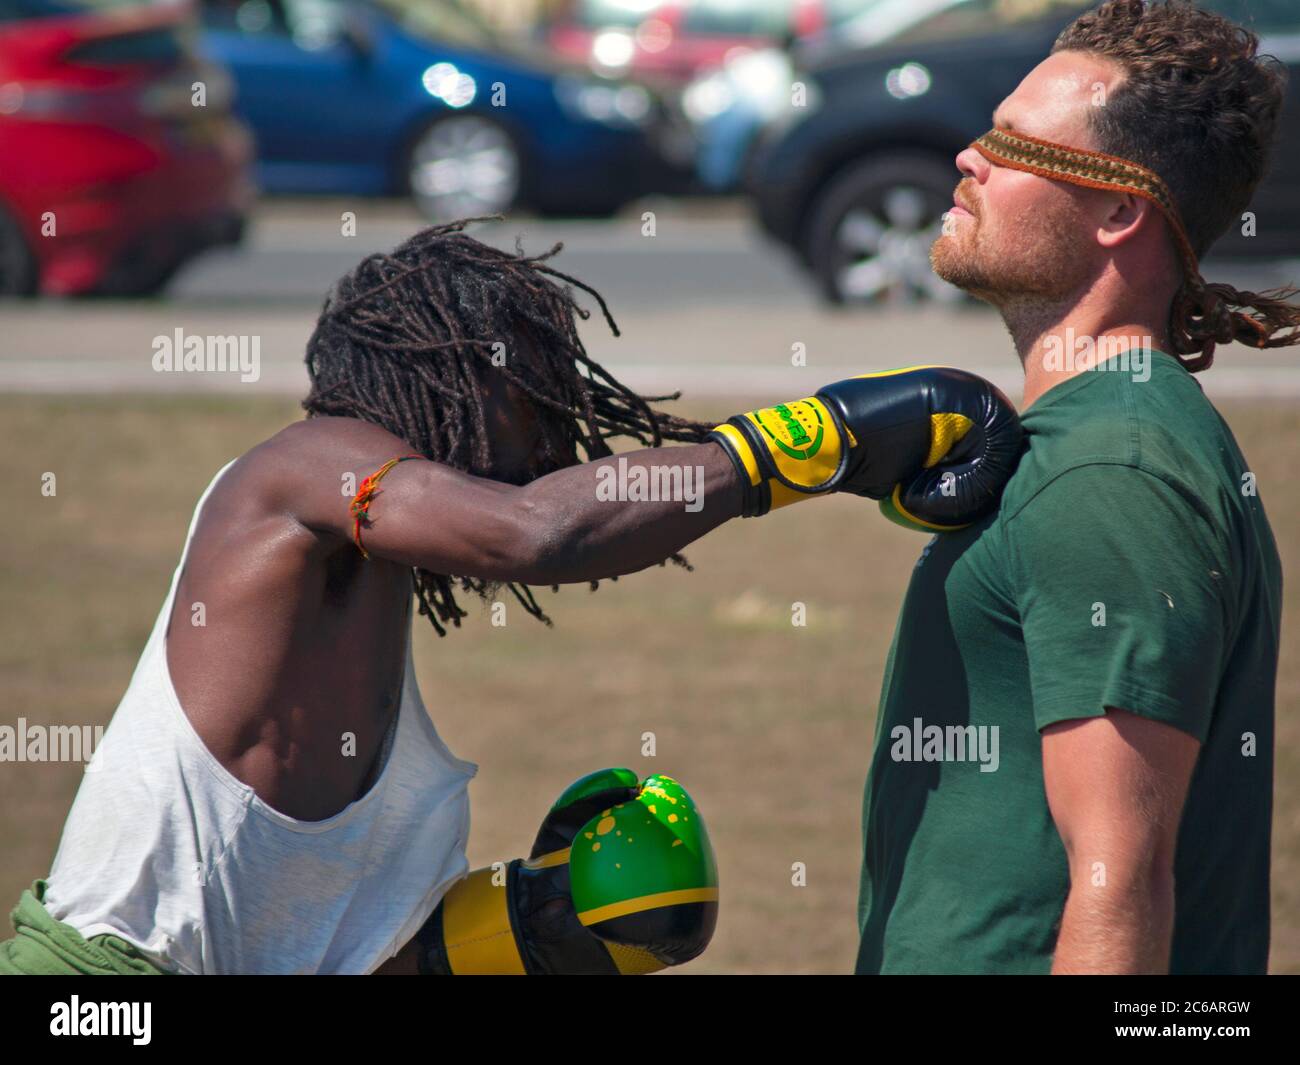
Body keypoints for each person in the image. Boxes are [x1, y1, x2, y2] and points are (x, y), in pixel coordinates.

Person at [0, 221, 1021, 975]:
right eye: (533, 396)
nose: (549, 441)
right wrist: (811, 442)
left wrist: (532, 927)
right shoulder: (305, 468)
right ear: (446, 373)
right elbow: (536, 531)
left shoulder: (358, 614)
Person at [856, 0, 1298, 975]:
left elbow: (1122, 880)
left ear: (1115, 211)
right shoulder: (1098, 434)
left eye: (1013, 145)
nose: (970, 158)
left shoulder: (1114, 469)